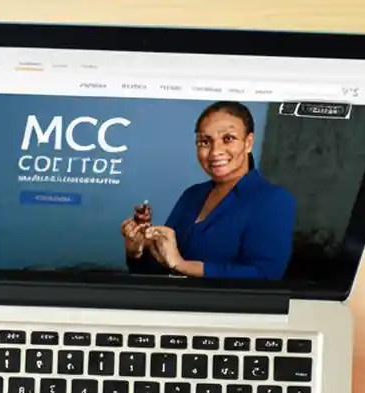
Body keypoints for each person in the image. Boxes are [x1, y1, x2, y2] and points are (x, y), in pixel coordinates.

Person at [121, 101, 296, 279]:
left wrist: (182, 265)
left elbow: (265, 275)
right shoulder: (192, 195)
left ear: (248, 142)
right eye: (205, 142)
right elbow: (162, 272)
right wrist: (138, 250)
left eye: (228, 138)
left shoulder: (272, 199)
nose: (214, 152)